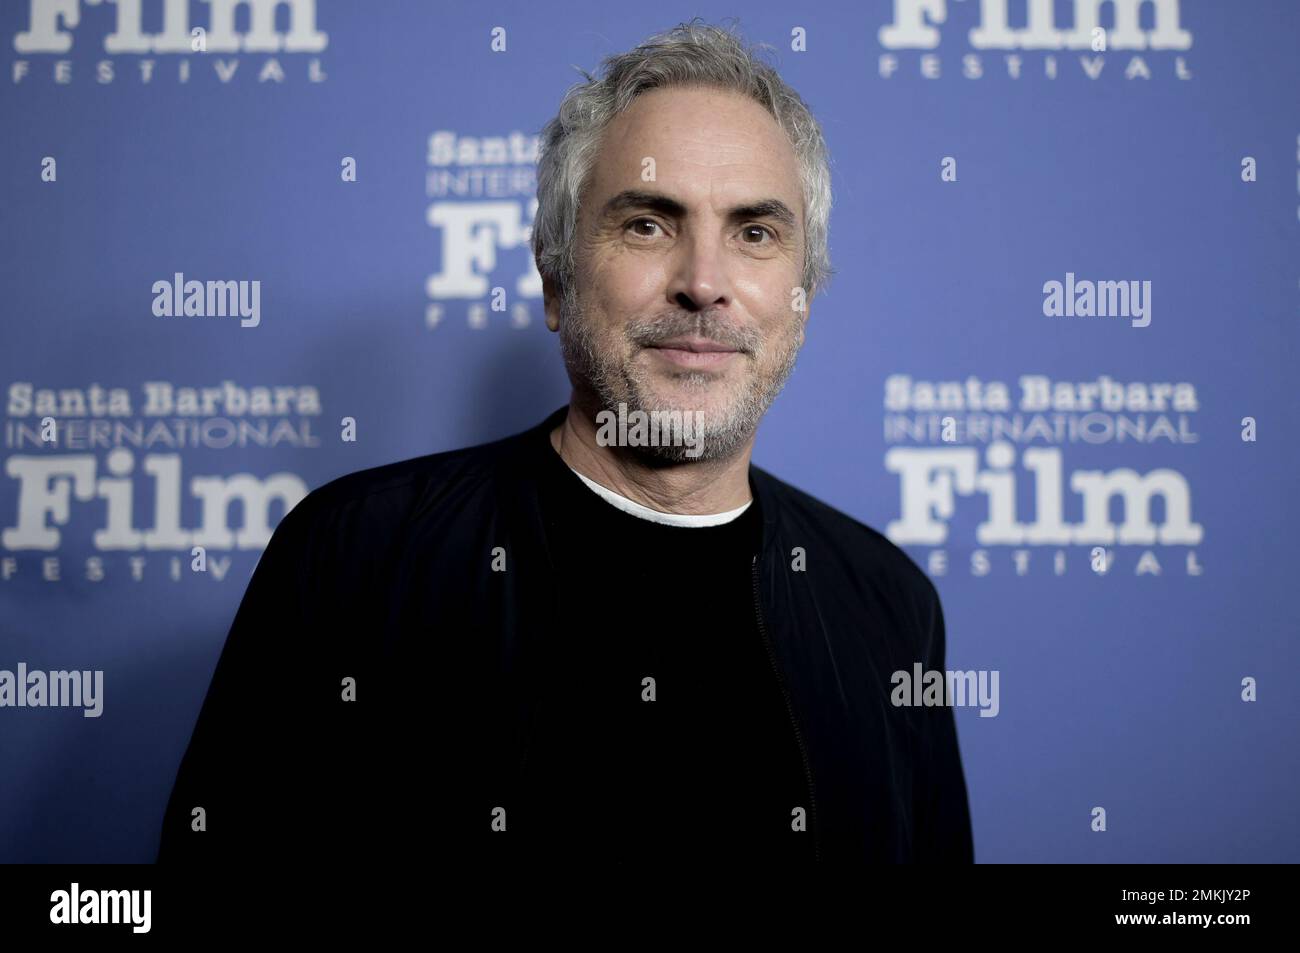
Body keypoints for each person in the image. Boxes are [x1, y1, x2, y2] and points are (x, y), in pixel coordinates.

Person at [158, 19, 973, 868]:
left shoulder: (888, 607)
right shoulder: (355, 556)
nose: (704, 282)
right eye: (649, 225)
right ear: (556, 278)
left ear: (802, 294)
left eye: (755, 232)